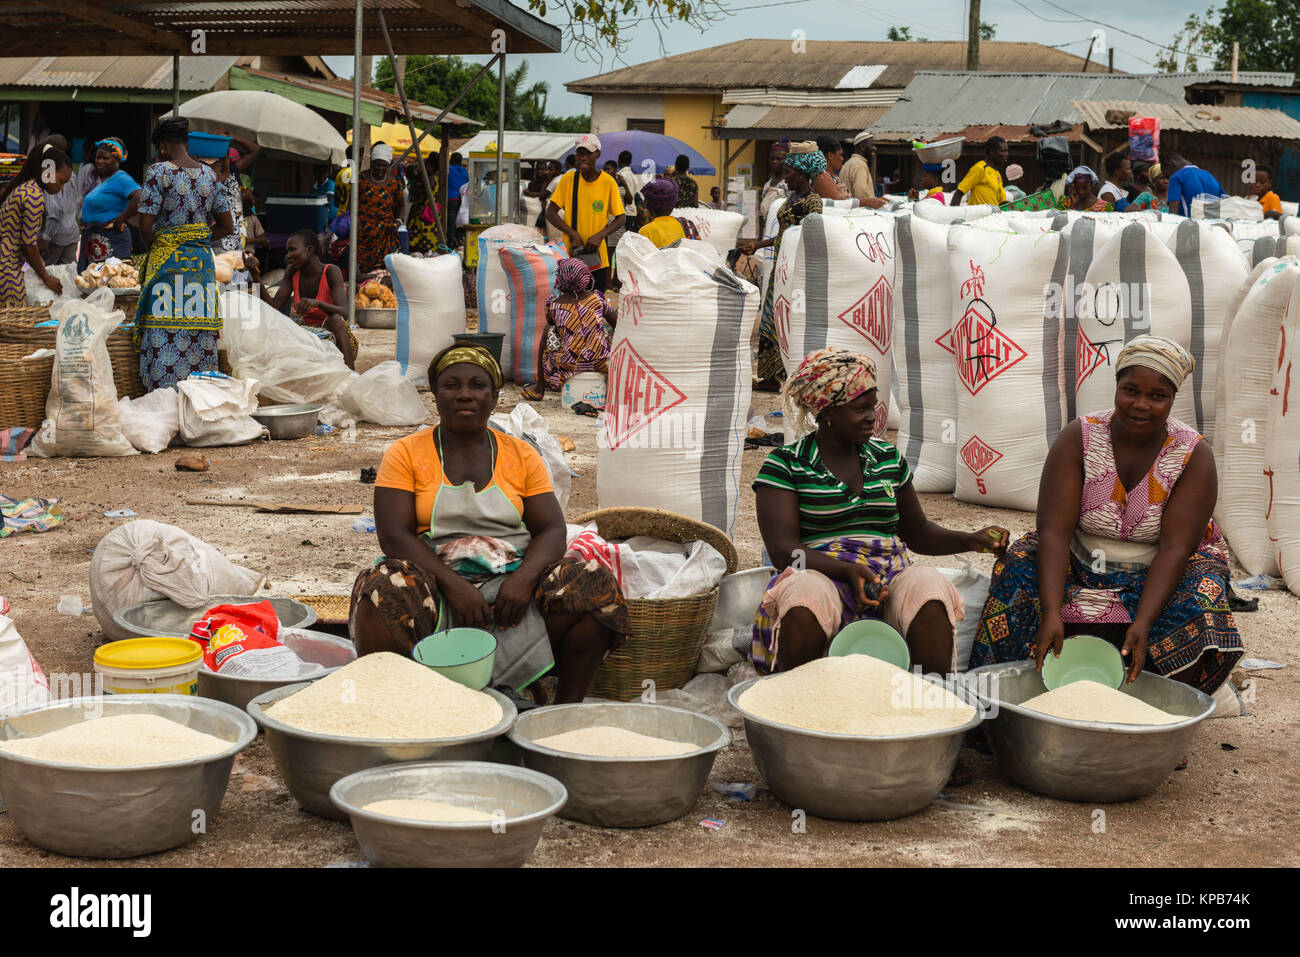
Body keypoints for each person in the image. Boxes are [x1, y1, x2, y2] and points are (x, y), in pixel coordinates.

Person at [350, 343, 632, 705]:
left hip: (510, 586)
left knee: (593, 582)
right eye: (451, 385)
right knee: (383, 586)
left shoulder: (521, 454)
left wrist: (522, 580)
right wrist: (453, 585)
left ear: (495, 396)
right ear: (435, 395)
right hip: (434, 580)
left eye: (477, 385)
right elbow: (393, 535)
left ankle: (561, 713)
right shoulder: (405, 453)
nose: (464, 394)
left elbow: (552, 529)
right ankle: (401, 705)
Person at [971, 336, 1243, 695]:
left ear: (1172, 399)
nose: (1141, 405)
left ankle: (1159, 714)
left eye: (1157, 396)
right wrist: (1052, 611)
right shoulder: (1080, 437)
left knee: (1203, 592)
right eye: (1131, 390)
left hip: (1156, 569)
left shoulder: (1193, 454)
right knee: (1018, 566)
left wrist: (1144, 621)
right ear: (1116, 386)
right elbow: (1054, 530)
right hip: (1079, 562)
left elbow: (1176, 549)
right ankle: (1000, 702)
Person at [751, 347, 1007, 676]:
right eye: (860, 409)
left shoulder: (887, 459)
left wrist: (970, 540)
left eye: (873, 407)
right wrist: (845, 570)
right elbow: (784, 550)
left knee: (929, 586)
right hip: (821, 571)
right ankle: (796, 706)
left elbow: (917, 532)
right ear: (826, 410)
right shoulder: (786, 464)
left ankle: (931, 703)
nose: (872, 416)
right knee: (805, 595)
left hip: (889, 573)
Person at [134, 117, 233, 390]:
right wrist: (195, 240)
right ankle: (199, 393)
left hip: (167, 261)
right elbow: (227, 225)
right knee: (197, 327)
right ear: (185, 143)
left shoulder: (158, 173)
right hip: (199, 265)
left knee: (162, 326)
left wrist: (162, 244)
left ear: (163, 146)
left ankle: (163, 396)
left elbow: (145, 225)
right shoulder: (209, 175)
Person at [740, 142, 825, 390]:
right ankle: (769, 378)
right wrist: (758, 244)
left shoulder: (813, 201)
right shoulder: (793, 198)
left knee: (785, 320)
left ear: (802, 174)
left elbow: (813, 236)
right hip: (780, 266)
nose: (785, 177)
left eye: (789, 173)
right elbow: (784, 234)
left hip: (796, 270)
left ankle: (787, 376)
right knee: (770, 319)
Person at [245, 229, 355, 370]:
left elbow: (345, 312)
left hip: (335, 338)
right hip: (307, 336)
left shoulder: (331, 271)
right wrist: (256, 276)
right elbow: (275, 308)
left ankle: (352, 373)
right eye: (287, 251)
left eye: (292, 250)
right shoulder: (292, 272)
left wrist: (318, 304)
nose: (288, 256)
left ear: (309, 250)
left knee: (335, 319)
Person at [521, 258, 616, 402]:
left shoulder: (554, 305)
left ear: (561, 280)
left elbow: (553, 329)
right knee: (608, 330)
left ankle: (539, 388)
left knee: (548, 330)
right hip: (602, 363)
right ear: (585, 278)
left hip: (570, 365)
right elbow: (617, 324)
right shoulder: (598, 298)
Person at [545, 133, 626, 293]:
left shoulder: (607, 182)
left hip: (598, 258)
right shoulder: (569, 179)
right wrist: (572, 233)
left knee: (595, 305)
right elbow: (551, 213)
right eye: (580, 153)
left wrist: (599, 236)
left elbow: (621, 217)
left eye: (588, 153)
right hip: (571, 257)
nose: (583, 157)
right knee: (571, 305)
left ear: (598, 154)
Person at [0, 143, 73, 306]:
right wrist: (46, 277)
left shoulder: (25, 187)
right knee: (13, 324)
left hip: (7, 264)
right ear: (46, 170)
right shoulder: (34, 196)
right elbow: (28, 244)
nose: (61, 188)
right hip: (7, 269)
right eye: (61, 181)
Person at [76, 136, 141, 269]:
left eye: (105, 158)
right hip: (97, 239)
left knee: (111, 280)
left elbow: (139, 197)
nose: (99, 161)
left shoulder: (121, 178)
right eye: (98, 157)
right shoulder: (105, 179)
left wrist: (120, 219)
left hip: (111, 239)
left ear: (117, 159)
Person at [356, 142, 404, 273]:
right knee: (361, 266)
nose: (380, 168)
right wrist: (353, 219)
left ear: (388, 166)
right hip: (362, 232)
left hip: (385, 232)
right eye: (377, 164)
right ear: (372, 163)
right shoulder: (361, 178)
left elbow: (402, 206)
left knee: (384, 268)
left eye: (384, 165)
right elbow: (352, 203)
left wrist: (398, 221)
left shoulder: (395, 182)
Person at [34, 134, 80, 267]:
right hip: (71, 232)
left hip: (54, 237)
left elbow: (55, 211)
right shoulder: (72, 174)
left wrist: (45, 238)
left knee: (46, 276)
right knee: (68, 277)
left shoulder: (49, 174)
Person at [951, 136, 1009, 207]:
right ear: (991, 151)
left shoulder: (997, 173)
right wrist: (954, 215)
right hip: (979, 216)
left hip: (993, 217)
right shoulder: (980, 169)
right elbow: (959, 193)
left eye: (1007, 151)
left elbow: (1001, 202)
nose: (1006, 154)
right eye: (1003, 151)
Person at [1165, 153, 1223, 217]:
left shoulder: (1176, 177)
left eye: (1167, 175)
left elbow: (1173, 210)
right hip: (1211, 225)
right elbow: (1227, 200)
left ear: (1169, 166)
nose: (1167, 180)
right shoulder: (1210, 176)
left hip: (1188, 225)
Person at [406, 154, 442, 255]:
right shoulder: (435, 179)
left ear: (430, 166)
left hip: (422, 216)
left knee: (417, 246)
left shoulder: (427, 178)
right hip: (431, 215)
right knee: (426, 248)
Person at [635, 179, 688, 248]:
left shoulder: (646, 231)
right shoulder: (687, 225)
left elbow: (639, 257)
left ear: (647, 204)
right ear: (673, 203)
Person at [840, 133, 886, 209]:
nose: (875, 148)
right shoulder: (859, 165)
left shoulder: (849, 163)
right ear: (863, 147)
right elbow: (862, 193)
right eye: (872, 145)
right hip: (860, 214)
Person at [760, 140, 790, 230]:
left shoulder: (789, 183)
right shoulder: (767, 185)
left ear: (786, 160)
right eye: (772, 159)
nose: (774, 161)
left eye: (778, 159)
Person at [813, 135, 850, 201]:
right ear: (830, 155)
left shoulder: (834, 176)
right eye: (840, 155)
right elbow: (837, 202)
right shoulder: (821, 177)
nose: (842, 159)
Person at [445, 151, 468, 232]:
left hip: (450, 198)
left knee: (450, 220)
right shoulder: (464, 171)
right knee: (457, 220)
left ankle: (451, 239)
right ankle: (457, 239)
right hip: (461, 199)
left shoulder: (448, 169)